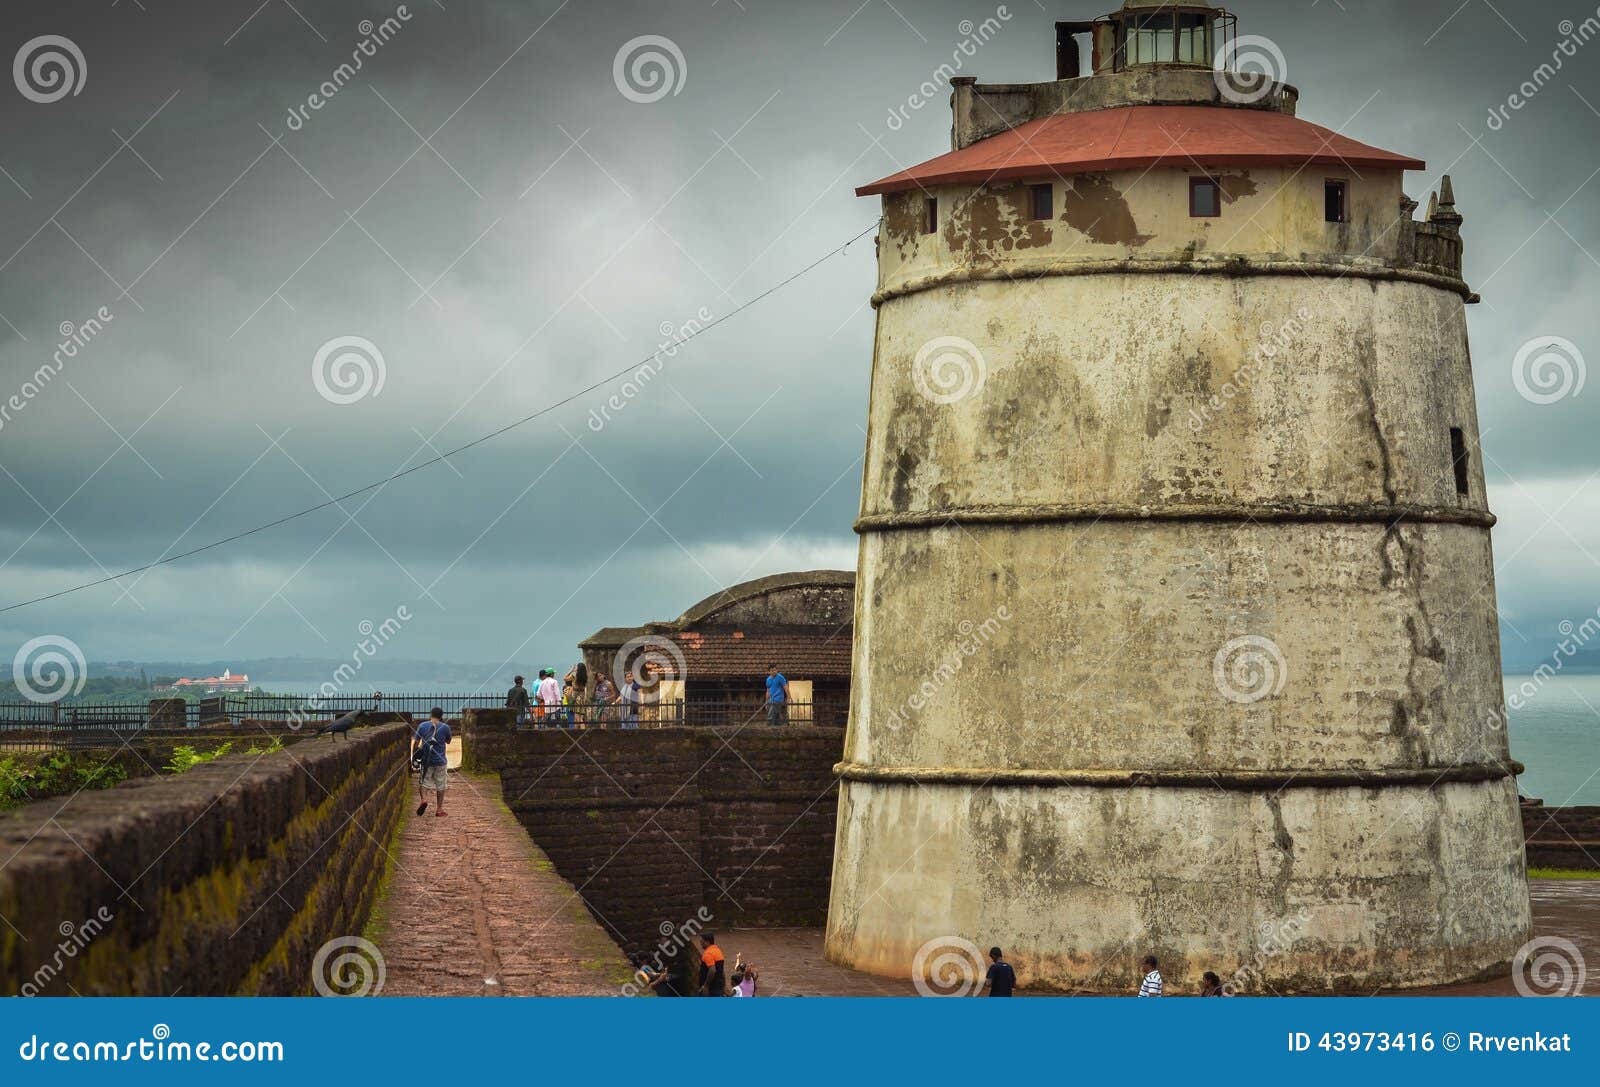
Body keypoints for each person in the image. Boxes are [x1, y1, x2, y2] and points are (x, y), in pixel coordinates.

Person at [412, 707, 452, 818]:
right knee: (441, 785)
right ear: (441, 716)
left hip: (426, 760)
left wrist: (414, 756)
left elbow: (416, 742)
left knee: (424, 782)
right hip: (440, 761)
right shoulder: (445, 727)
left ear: (431, 715)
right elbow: (448, 741)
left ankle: (424, 799)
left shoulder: (422, 726)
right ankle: (439, 809)